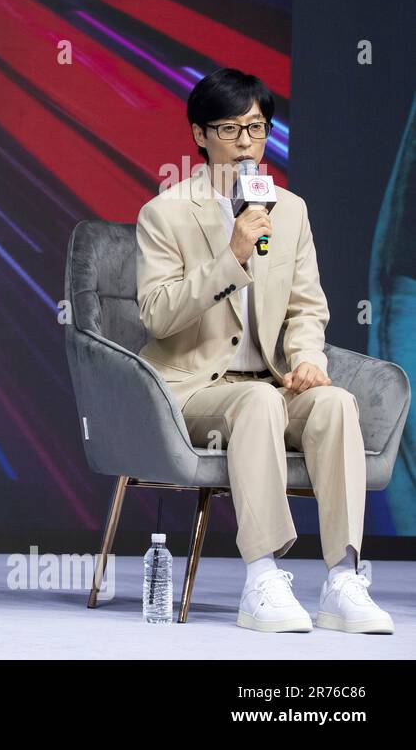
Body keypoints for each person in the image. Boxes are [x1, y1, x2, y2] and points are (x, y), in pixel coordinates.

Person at [135, 68, 392, 633]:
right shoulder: (166, 213)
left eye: (256, 127)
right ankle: (261, 576)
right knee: (255, 403)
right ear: (201, 136)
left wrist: (308, 360)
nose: (247, 141)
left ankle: (343, 578)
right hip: (195, 387)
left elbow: (306, 307)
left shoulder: (289, 210)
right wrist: (231, 255)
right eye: (230, 128)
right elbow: (156, 314)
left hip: (272, 383)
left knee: (336, 405)